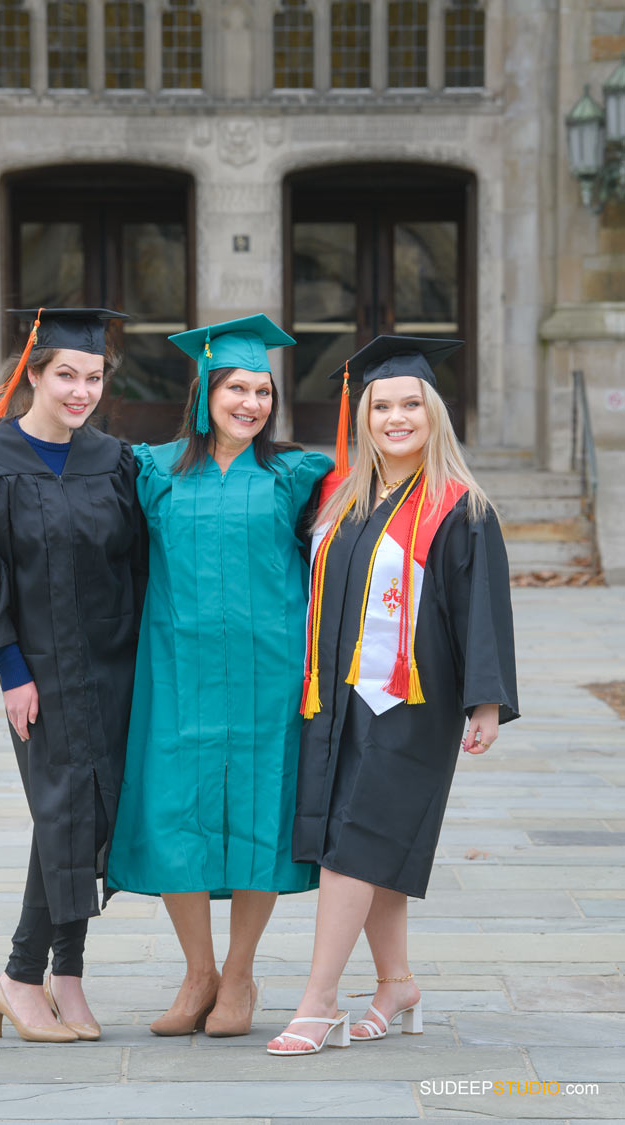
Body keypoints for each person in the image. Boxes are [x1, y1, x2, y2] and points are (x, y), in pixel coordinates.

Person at [266, 335, 519, 1056]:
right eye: (383, 405)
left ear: (434, 413)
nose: (396, 417)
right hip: (335, 700)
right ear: (364, 416)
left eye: (411, 404)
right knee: (366, 838)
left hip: (411, 702)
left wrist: (486, 701)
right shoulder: (342, 497)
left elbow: (483, 610)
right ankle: (397, 982)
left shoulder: (460, 507)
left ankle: (317, 1001)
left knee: (352, 839)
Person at [105, 315, 333, 1037]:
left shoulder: (297, 474)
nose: (251, 402)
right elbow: (71, 485)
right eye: (238, 386)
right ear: (206, 387)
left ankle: (240, 975)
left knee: (259, 811)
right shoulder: (152, 470)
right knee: (178, 811)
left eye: (263, 391)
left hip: (270, 675)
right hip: (178, 671)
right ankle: (198, 971)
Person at [0, 308, 146, 1043]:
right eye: (65, 374)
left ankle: (67, 977)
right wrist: (10, 668)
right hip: (42, 673)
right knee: (65, 812)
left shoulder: (115, 461)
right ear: (33, 373)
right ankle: (23, 975)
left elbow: (142, 555)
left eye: (93, 376)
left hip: (114, 666)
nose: (81, 389)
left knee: (93, 815)